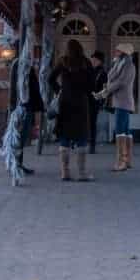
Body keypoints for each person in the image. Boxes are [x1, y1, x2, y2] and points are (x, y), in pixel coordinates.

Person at [48, 39, 94, 182]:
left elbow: (50, 79)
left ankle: (65, 172)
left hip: (65, 102)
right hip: (81, 102)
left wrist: (59, 90)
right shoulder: (86, 62)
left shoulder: (63, 61)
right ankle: (81, 173)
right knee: (81, 137)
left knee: (65, 136)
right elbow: (92, 84)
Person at [94, 43, 136, 172]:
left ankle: (121, 161)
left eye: (118, 50)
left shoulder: (128, 65)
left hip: (123, 101)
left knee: (120, 130)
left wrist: (105, 92)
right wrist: (103, 92)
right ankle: (127, 160)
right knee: (125, 130)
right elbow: (112, 81)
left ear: (123, 52)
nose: (115, 52)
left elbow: (121, 82)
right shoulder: (119, 64)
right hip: (119, 100)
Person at [9, 49, 44, 175]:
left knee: (21, 137)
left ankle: (17, 163)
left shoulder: (23, 67)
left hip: (24, 106)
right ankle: (16, 164)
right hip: (23, 107)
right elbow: (31, 90)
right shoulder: (21, 67)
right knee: (20, 137)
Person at [87, 50, 108, 154]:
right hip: (86, 100)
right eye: (92, 59)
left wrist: (101, 102)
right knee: (86, 122)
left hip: (94, 101)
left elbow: (105, 90)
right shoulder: (90, 70)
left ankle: (92, 145)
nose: (93, 61)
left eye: (95, 59)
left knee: (92, 123)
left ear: (100, 61)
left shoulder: (102, 73)